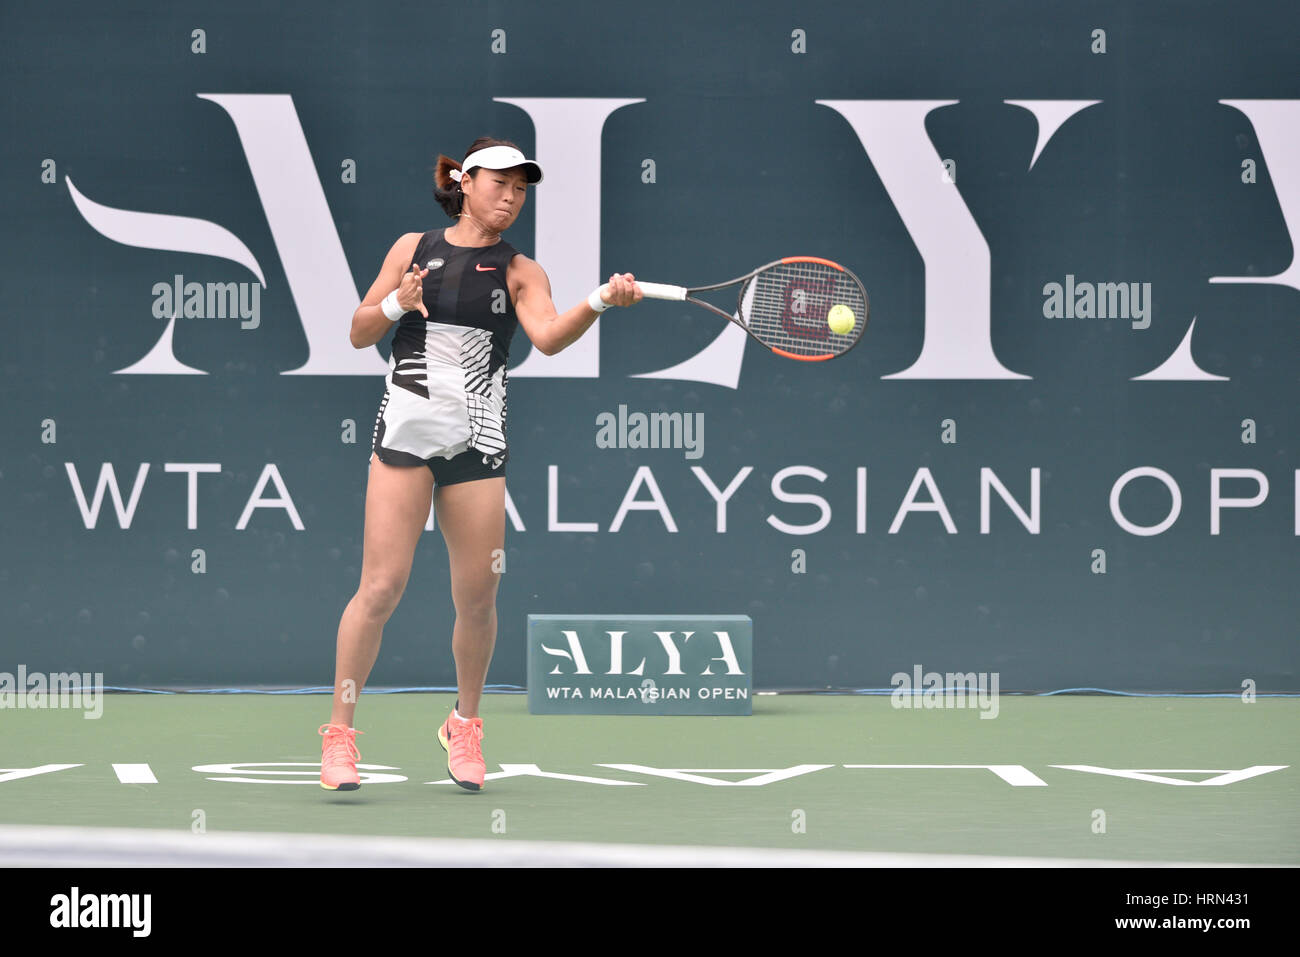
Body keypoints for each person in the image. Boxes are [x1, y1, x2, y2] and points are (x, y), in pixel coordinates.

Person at [318, 136, 642, 791]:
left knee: (478, 595)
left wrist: (600, 301)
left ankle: (464, 723)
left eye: (521, 187)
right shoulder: (412, 249)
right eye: (500, 182)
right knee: (379, 588)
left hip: (477, 445)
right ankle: (340, 734)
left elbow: (548, 337)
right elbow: (358, 331)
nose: (512, 196)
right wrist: (394, 304)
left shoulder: (522, 271)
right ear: (464, 182)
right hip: (405, 437)